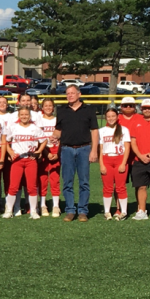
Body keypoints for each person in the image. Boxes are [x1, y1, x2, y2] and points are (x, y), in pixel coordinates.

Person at [52, 85, 99, 222]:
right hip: (66, 149)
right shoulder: (62, 110)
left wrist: (94, 150)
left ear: (79, 94)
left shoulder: (88, 110)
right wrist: (54, 136)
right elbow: (58, 130)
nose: (70, 95)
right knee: (67, 182)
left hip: (84, 149)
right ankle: (70, 210)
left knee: (84, 182)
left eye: (72, 93)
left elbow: (94, 131)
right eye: (67, 93)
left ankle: (83, 211)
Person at [2, 106, 47, 220]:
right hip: (17, 160)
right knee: (13, 186)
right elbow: (6, 142)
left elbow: (44, 140)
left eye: (26, 114)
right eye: (22, 114)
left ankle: (33, 211)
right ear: (18, 116)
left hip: (30, 160)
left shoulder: (35, 128)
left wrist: (38, 152)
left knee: (32, 187)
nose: (24, 117)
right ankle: (9, 210)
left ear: (30, 116)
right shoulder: (13, 127)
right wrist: (11, 152)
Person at [99, 107, 131, 220]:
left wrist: (123, 163)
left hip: (120, 159)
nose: (111, 118)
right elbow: (101, 149)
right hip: (107, 159)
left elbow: (127, 148)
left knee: (120, 187)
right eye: (108, 116)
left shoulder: (124, 129)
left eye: (113, 116)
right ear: (105, 117)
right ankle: (107, 212)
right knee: (107, 187)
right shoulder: (102, 130)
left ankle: (123, 211)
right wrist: (102, 164)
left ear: (117, 117)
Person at [35, 98, 61, 217]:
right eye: (46, 106)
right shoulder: (39, 120)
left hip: (56, 151)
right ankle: (43, 205)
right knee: (43, 179)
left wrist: (57, 152)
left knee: (55, 179)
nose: (48, 108)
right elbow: (38, 139)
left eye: (50, 105)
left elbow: (62, 137)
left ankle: (56, 205)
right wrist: (45, 152)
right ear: (42, 107)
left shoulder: (57, 120)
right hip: (44, 152)